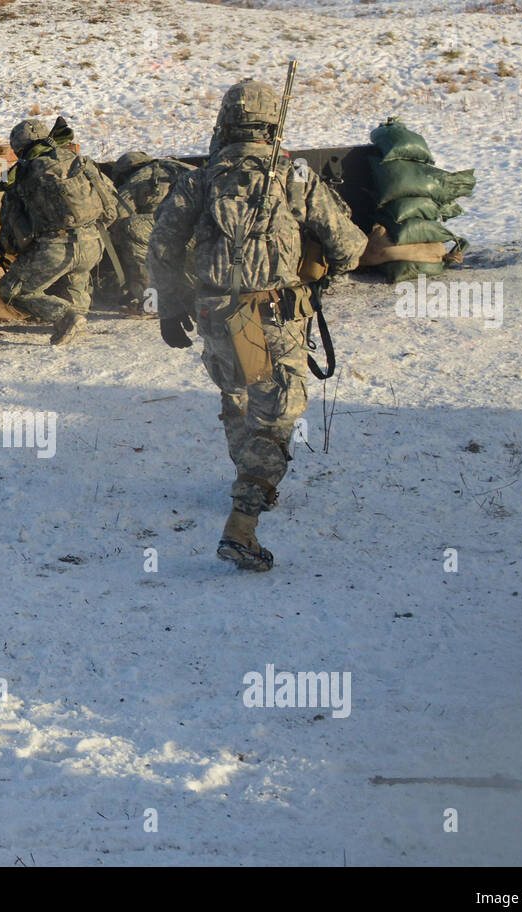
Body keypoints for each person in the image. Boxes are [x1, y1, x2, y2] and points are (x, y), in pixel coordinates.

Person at [148, 80, 366, 571]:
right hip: (274, 314)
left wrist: (170, 305)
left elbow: (161, 246)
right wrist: (320, 267)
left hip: (215, 314)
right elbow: (351, 247)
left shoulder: (198, 181)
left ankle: (251, 480)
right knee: (277, 416)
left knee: (238, 398)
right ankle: (242, 524)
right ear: (273, 124)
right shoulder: (295, 178)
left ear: (224, 123)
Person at [0, 117, 120, 346]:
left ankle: (66, 317)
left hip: (57, 249)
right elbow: (111, 203)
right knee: (77, 275)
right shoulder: (80, 161)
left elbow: (16, 228)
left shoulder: (23, 174)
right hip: (94, 242)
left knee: (11, 290)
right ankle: (77, 317)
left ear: (20, 148)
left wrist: (13, 247)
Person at [108, 150, 193, 309]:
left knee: (130, 228)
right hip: (206, 230)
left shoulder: (138, 177)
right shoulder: (179, 166)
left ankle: (150, 301)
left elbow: (117, 216)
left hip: (180, 229)